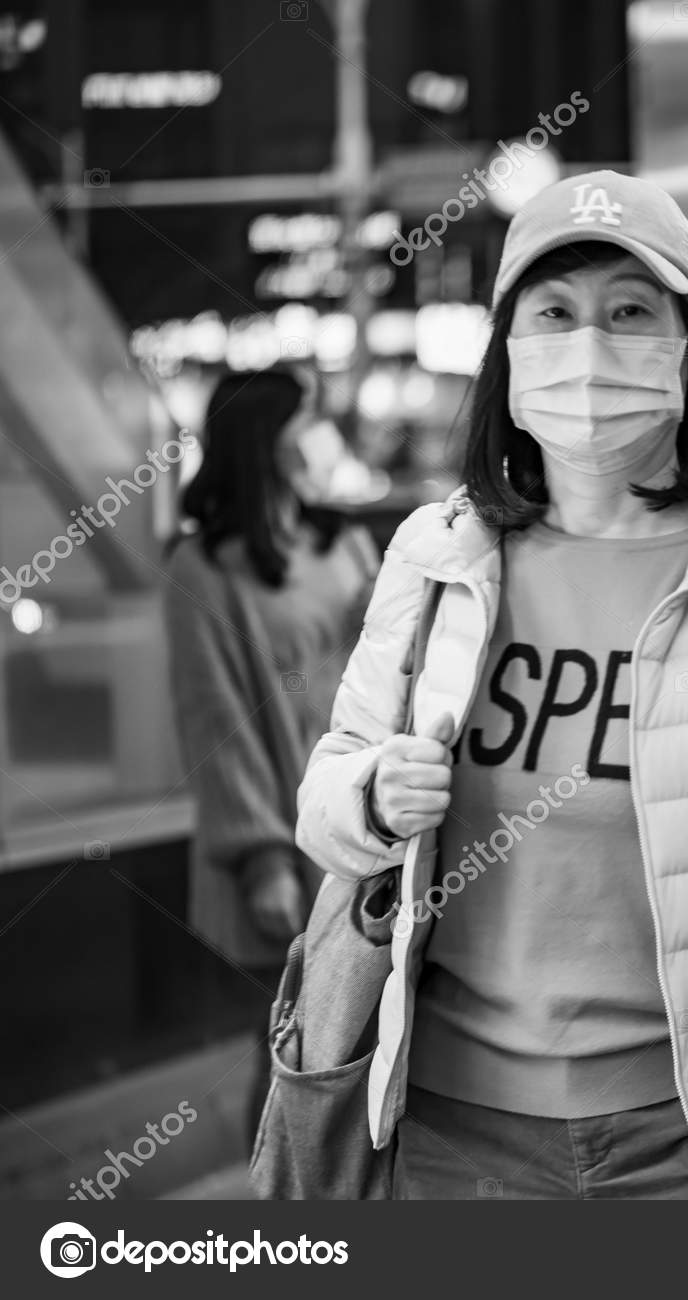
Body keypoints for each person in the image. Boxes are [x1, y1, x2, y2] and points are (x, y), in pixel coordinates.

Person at [295, 171, 688, 1201]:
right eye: (554, 313)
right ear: (508, 348)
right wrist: (371, 796)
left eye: (629, 312)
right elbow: (328, 797)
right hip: (458, 1137)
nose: (589, 350)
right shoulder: (439, 555)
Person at [164, 366, 378, 1144]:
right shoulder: (203, 570)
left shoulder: (346, 540)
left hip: (368, 827)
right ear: (266, 439)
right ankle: (281, 1209)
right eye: (308, 418)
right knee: (294, 1040)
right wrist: (260, 858)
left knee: (366, 1038)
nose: (324, 434)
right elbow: (213, 718)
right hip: (285, 848)